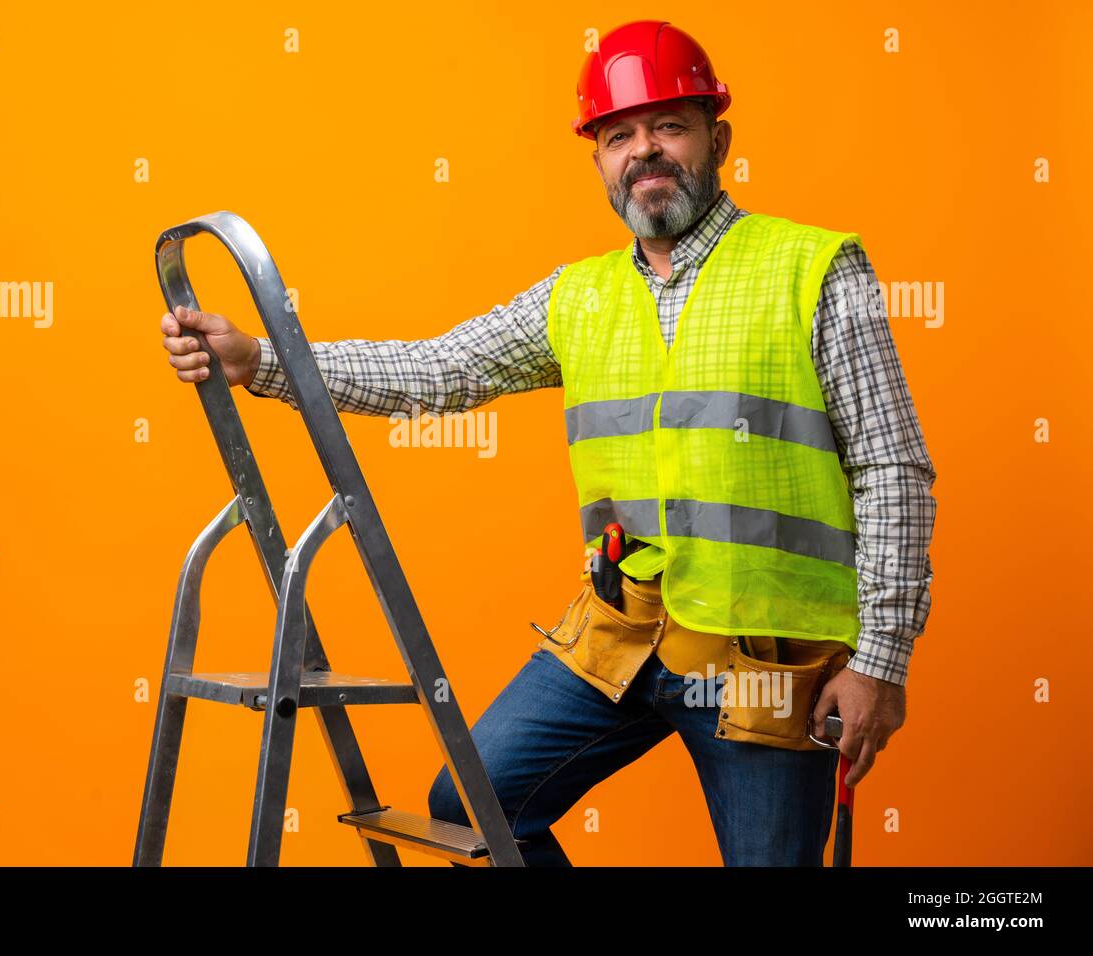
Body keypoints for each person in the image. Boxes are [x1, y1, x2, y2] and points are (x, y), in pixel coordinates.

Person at [157, 20, 936, 866]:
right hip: (620, 639)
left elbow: (893, 468)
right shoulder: (579, 297)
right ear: (599, 162)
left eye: (669, 125)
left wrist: (880, 661)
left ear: (718, 137)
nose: (645, 151)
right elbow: (438, 369)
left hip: (764, 669)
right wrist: (259, 360)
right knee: (474, 806)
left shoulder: (814, 270)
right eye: (618, 136)